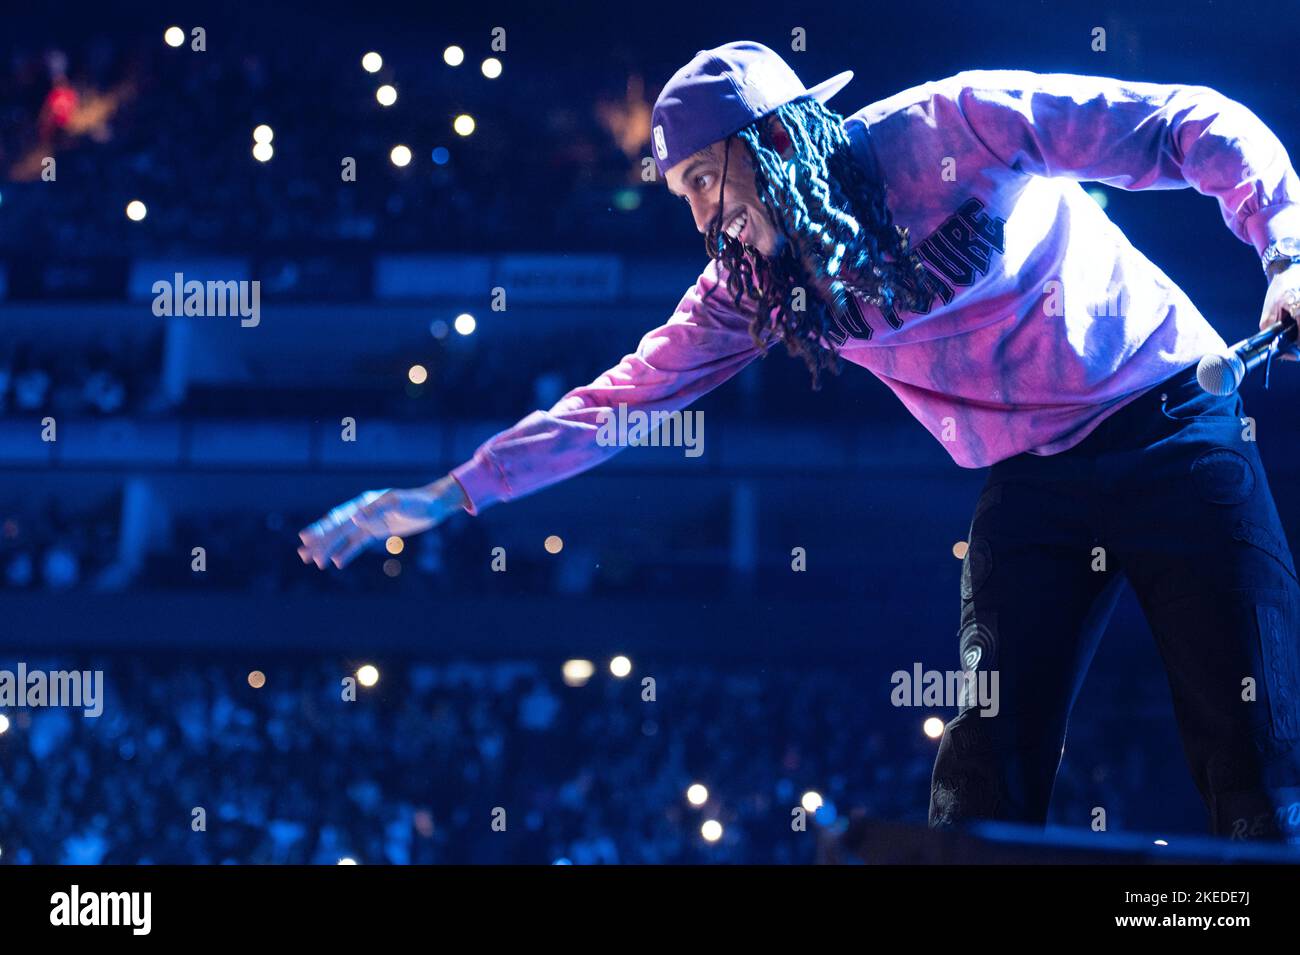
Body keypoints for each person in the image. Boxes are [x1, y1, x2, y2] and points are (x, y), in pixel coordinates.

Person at [299, 41, 1300, 840]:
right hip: (1030, 482)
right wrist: (450, 492)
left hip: (1173, 418)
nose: (699, 216)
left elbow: (1184, 122)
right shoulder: (753, 287)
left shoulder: (956, 125)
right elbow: (620, 400)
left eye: (701, 179)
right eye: (681, 194)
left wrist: (1286, 247)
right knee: (985, 756)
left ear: (771, 140)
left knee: (1246, 737)